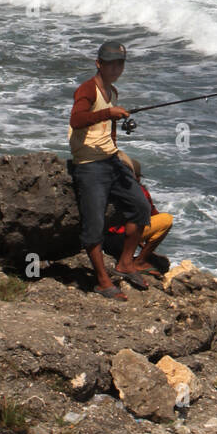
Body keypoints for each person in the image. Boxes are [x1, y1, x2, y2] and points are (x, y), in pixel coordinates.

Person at [67, 40, 153, 300]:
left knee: (140, 206)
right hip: (89, 164)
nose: (116, 68)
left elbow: (108, 129)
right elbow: (77, 119)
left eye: (120, 63)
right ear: (99, 64)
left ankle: (126, 263)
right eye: (111, 63)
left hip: (111, 159)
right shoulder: (88, 90)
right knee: (94, 224)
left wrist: (116, 145)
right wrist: (107, 114)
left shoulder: (112, 92)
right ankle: (103, 282)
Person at [104, 157, 173, 273]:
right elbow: (150, 219)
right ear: (137, 177)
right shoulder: (140, 192)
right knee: (166, 220)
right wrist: (148, 251)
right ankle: (139, 262)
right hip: (121, 239)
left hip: (104, 241)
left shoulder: (108, 187)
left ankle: (133, 258)